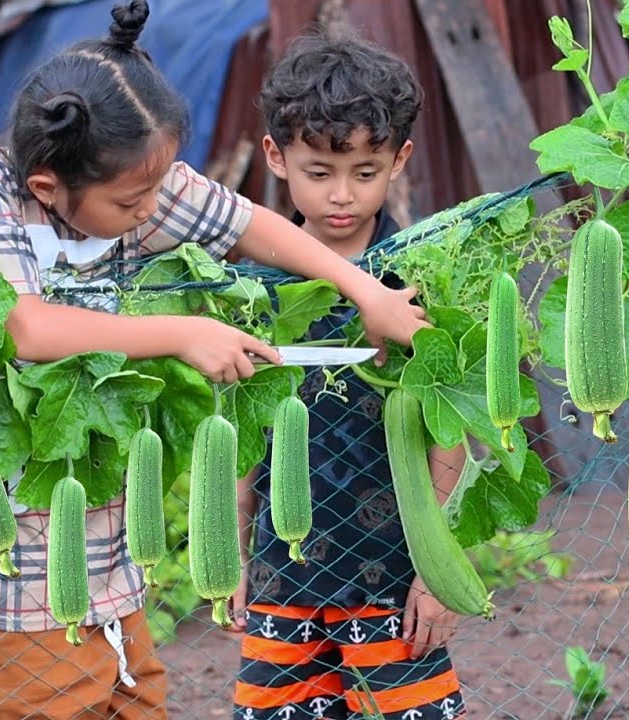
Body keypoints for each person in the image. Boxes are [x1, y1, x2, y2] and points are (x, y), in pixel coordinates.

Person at [0, 4, 426, 719]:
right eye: (135, 201)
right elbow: (25, 327)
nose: (156, 209)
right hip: (3, 542)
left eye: (161, 188)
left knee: (134, 699)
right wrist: (182, 334)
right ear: (47, 188)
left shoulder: (131, 179)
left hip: (107, 539)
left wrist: (364, 290)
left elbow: (252, 225)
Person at [228, 31, 468, 720]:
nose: (342, 194)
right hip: (280, 569)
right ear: (275, 157)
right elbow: (241, 430)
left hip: (393, 572)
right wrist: (233, 549)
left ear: (400, 160)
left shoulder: (420, 280)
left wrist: (437, 570)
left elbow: (446, 430)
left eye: (365, 171)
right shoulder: (253, 290)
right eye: (319, 171)